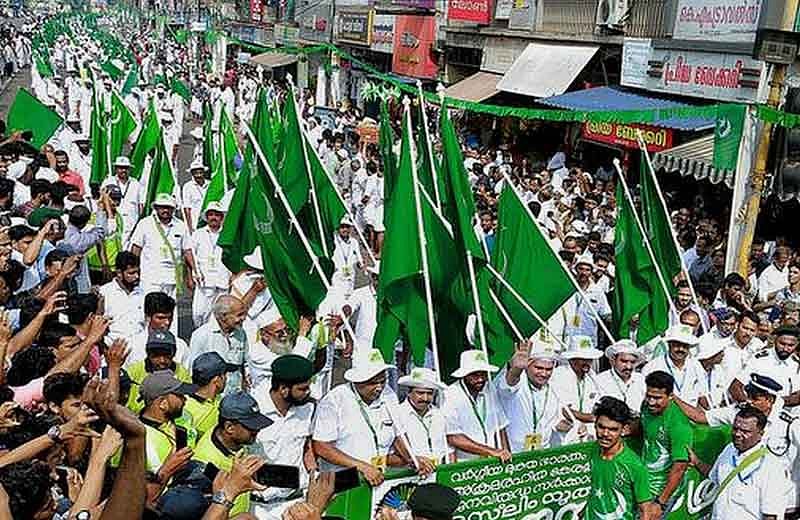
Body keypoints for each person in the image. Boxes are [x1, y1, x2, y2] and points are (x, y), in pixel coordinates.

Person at [676, 373, 800, 513]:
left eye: (755, 398)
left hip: (781, 501)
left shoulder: (788, 424)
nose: (749, 401)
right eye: (748, 395)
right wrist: (672, 397)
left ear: (769, 400)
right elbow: (700, 417)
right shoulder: (739, 414)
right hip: (741, 497)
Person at [313, 349, 419, 485]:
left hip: (381, 477)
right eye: (373, 383)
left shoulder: (389, 395)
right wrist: (361, 466)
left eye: (383, 381)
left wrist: (412, 459)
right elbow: (322, 447)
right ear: (357, 381)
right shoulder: (335, 400)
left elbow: (399, 434)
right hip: (345, 480)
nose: (379, 387)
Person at [690, 406, 791, 520]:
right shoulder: (729, 450)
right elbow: (714, 475)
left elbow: (771, 515)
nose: (737, 434)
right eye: (735, 429)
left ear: (761, 433)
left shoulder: (771, 466)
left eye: (745, 431)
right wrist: (696, 462)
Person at [251, 355, 316, 519]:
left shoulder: (308, 408)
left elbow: (307, 447)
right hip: (259, 507)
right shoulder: (253, 408)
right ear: (283, 389)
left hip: (296, 503)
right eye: (302, 389)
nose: (308, 392)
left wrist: (314, 474)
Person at [192, 391, 273, 517]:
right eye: (251, 427)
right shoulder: (206, 464)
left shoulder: (231, 440)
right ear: (229, 427)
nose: (257, 430)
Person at [585, 396, 655, 520]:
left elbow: (646, 511)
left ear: (624, 430)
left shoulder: (634, 466)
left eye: (613, 429)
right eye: (601, 427)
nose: (605, 434)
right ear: (595, 424)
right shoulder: (594, 449)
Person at [496, 338, 568, 452]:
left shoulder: (554, 387)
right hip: (513, 454)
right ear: (528, 364)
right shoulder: (519, 381)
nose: (544, 373)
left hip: (542, 454)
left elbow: (552, 422)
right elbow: (507, 386)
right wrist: (516, 370)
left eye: (548, 369)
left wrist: (563, 425)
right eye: (538, 368)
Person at [637, 371, 693, 517]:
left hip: (662, 489)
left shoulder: (678, 423)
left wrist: (661, 503)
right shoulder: (646, 406)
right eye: (648, 396)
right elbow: (644, 426)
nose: (650, 402)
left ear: (670, 396)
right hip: (644, 482)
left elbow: (680, 467)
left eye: (657, 398)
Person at [443, 350, 511, 462]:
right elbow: (453, 437)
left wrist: (506, 452)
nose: (480, 379)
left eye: (483, 374)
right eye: (475, 375)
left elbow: (500, 427)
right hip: (466, 464)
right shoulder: (450, 394)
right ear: (464, 374)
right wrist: (491, 451)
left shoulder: (489, 388)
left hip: (492, 461)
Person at [129, 192, 196, 299]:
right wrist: (133, 272)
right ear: (156, 208)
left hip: (172, 279)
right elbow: (136, 250)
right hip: (150, 278)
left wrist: (193, 272)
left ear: (173, 209)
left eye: (168, 207)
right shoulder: (145, 224)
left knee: (170, 312)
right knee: (151, 310)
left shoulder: (181, 226)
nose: (165, 210)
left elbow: (187, 251)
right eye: (162, 207)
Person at [188, 295, 248, 396]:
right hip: (213, 396)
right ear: (223, 316)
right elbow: (193, 370)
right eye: (239, 315)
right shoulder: (201, 335)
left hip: (236, 393)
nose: (244, 318)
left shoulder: (241, 333)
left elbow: (245, 362)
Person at [550, 335, 603, 444]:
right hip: (564, 434)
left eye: (589, 359)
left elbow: (598, 404)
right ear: (572, 359)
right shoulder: (559, 375)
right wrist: (592, 418)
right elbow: (566, 411)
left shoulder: (591, 377)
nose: (588, 363)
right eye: (583, 359)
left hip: (587, 434)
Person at [730, 326, 800, 405]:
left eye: (790, 345)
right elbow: (735, 387)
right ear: (775, 340)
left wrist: (774, 404)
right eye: (782, 344)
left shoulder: (796, 364)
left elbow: (797, 396)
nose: (785, 349)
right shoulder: (760, 359)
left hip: (781, 410)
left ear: (797, 344)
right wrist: (749, 405)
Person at [126, 330, 192, 413]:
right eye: (156, 354)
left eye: (167, 354)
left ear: (174, 353)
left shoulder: (182, 373)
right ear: (148, 353)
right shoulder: (133, 371)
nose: (162, 360)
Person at [396, 367, 451, 466]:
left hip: (438, 470)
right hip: (411, 472)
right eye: (420, 393)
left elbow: (448, 448)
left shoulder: (439, 415)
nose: (425, 398)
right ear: (409, 392)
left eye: (429, 393)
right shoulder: (398, 415)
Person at [643, 324, 708, 407]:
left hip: (689, 416)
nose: (681, 349)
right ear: (669, 344)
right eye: (677, 345)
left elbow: (702, 394)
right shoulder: (653, 366)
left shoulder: (696, 366)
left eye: (685, 346)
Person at [191, 201, 231, 327]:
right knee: (198, 313)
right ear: (207, 217)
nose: (214, 217)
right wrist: (189, 275)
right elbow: (190, 255)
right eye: (211, 214)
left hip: (222, 280)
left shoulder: (228, 234)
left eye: (217, 215)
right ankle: (200, 333)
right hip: (203, 281)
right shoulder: (198, 234)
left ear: (222, 217)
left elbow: (233, 256)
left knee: (220, 315)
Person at [127, 291, 190, 367]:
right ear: (147, 317)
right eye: (161, 318)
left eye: (170, 318)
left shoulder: (181, 346)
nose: (167, 322)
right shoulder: (132, 345)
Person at [184, 352, 239, 438]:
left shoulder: (219, 400)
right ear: (217, 380)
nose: (226, 378)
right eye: (224, 374)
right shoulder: (187, 409)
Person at [99, 251, 145, 342]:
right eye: (131, 273)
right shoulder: (105, 292)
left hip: (139, 345)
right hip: (113, 346)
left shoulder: (143, 292)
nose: (136, 276)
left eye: (138, 272)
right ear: (119, 273)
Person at [595, 339, 647, 412]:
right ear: (613, 361)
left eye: (632, 362)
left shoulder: (641, 379)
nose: (628, 366)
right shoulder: (600, 381)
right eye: (624, 361)